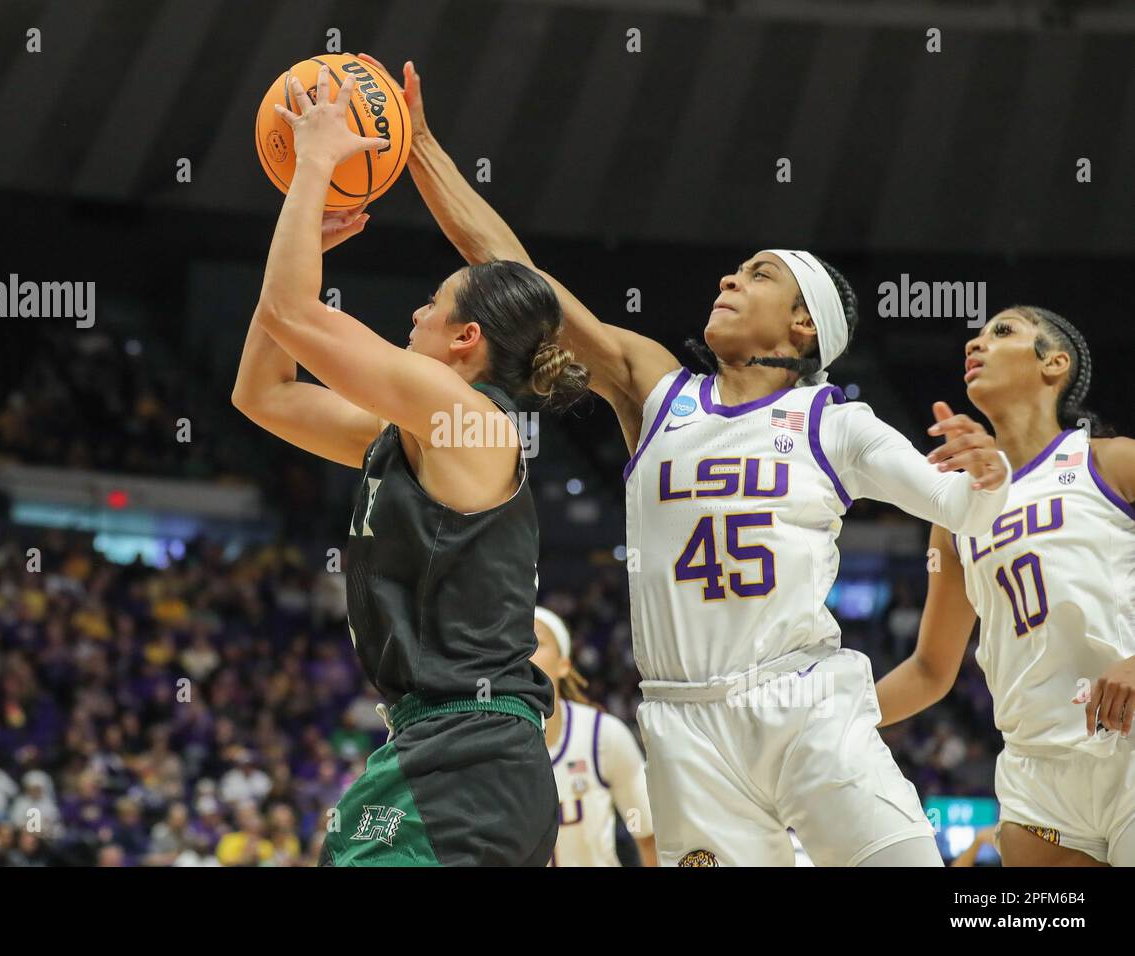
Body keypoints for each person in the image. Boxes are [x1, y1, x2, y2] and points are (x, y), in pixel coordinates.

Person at [370, 53, 1011, 866]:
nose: (728, 278)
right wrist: (419, 147)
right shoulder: (656, 390)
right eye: (736, 269)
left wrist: (989, 472)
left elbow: (959, 509)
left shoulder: (834, 423)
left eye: (758, 275)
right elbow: (513, 273)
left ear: (804, 327)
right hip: (681, 726)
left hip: (807, 704)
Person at [232, 68, 588, 865]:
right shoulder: (420, 431)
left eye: (433, 303)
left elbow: (296, 314)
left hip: (465, 756)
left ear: (466, 341)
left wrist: (316, 164)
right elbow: (262, 392)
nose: (416, 313)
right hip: (456, 754)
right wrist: (301, 237)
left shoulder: (467, 419)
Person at [877, 306, 1135, 866]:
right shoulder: (955, 509)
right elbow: (929, 669)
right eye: (975, 335)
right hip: (1035, 777)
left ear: (1055, 363)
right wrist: (830, 721)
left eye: (1002, 332)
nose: (976, 342)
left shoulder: (1112, 463)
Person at [531, 607, 656, 866]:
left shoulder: (602, 735)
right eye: (516, 643)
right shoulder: (488, 744)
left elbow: (647, 836)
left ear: (564, 664)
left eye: (535, 642)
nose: (524, 653)